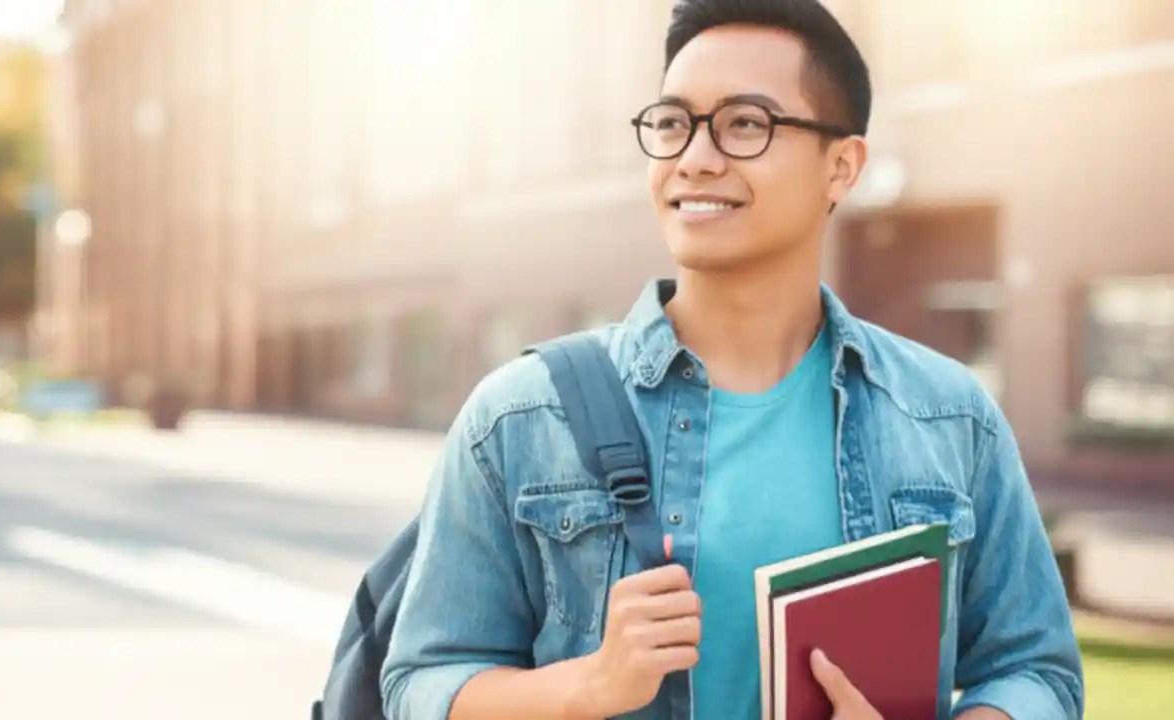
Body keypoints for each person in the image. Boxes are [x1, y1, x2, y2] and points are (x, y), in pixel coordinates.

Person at [379, 0, 1084, 718]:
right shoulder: (519, 416)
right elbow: (420, 684)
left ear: (841, 167)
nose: (695, 158)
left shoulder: (947, 415)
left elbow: (1034, 671)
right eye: (674, 123)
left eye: (745, 123)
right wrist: (586, 686)